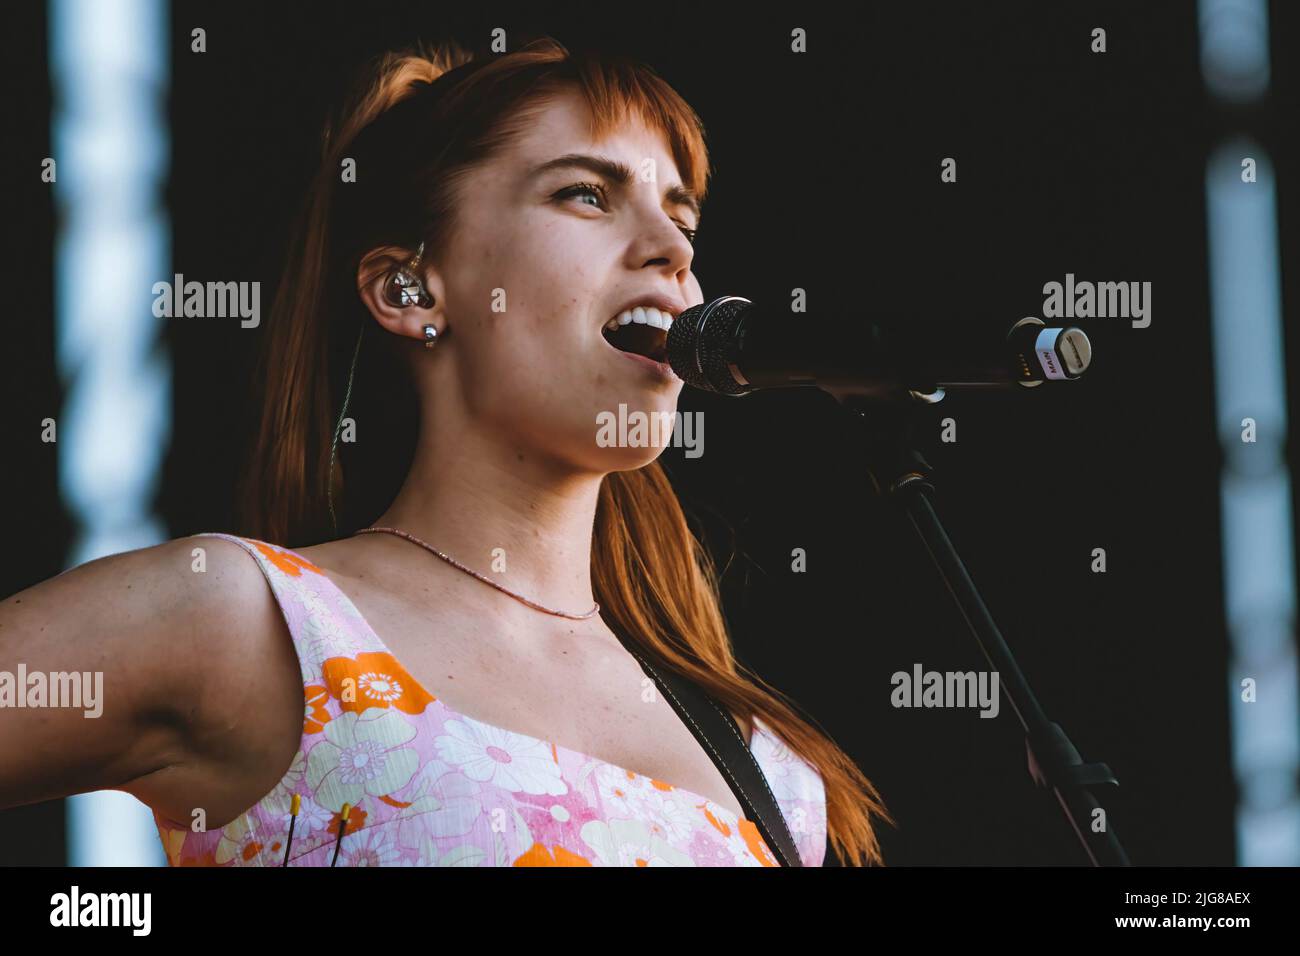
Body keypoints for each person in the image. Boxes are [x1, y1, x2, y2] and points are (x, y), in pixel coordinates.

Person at [0, 36, 890, 866]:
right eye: (586, 193)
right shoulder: (255, 627)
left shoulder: (763, 768)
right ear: (409, 288)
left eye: (682, 217)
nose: (671, 251)